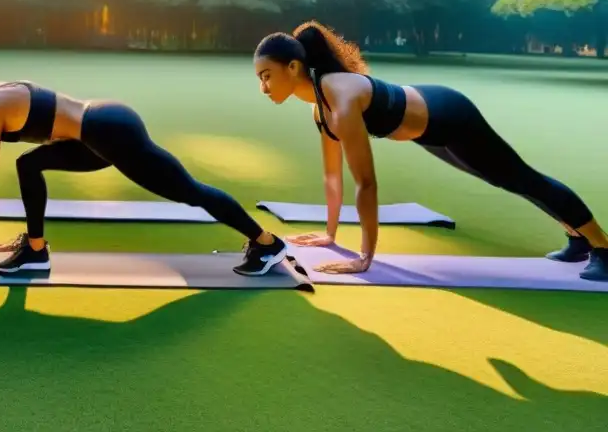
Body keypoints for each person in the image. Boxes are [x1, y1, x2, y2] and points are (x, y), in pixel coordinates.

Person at [253, 20, 608, 282]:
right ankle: (578, 239)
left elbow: (366, 183)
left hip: (448, 114)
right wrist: (330, 235)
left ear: (294, 67)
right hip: (427, 132)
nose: (263, 87)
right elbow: (332, 176)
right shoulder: (320, 109)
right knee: (507, 179)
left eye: (267, 75)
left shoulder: (340, 97)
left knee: (519, 177)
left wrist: (365, 257)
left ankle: (602, 246)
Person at [0, 49, 288, 278]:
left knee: (189, 192)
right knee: (29, 164)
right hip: (93, 134)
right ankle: (36, 250)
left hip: (108, 130)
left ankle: (267, 243)